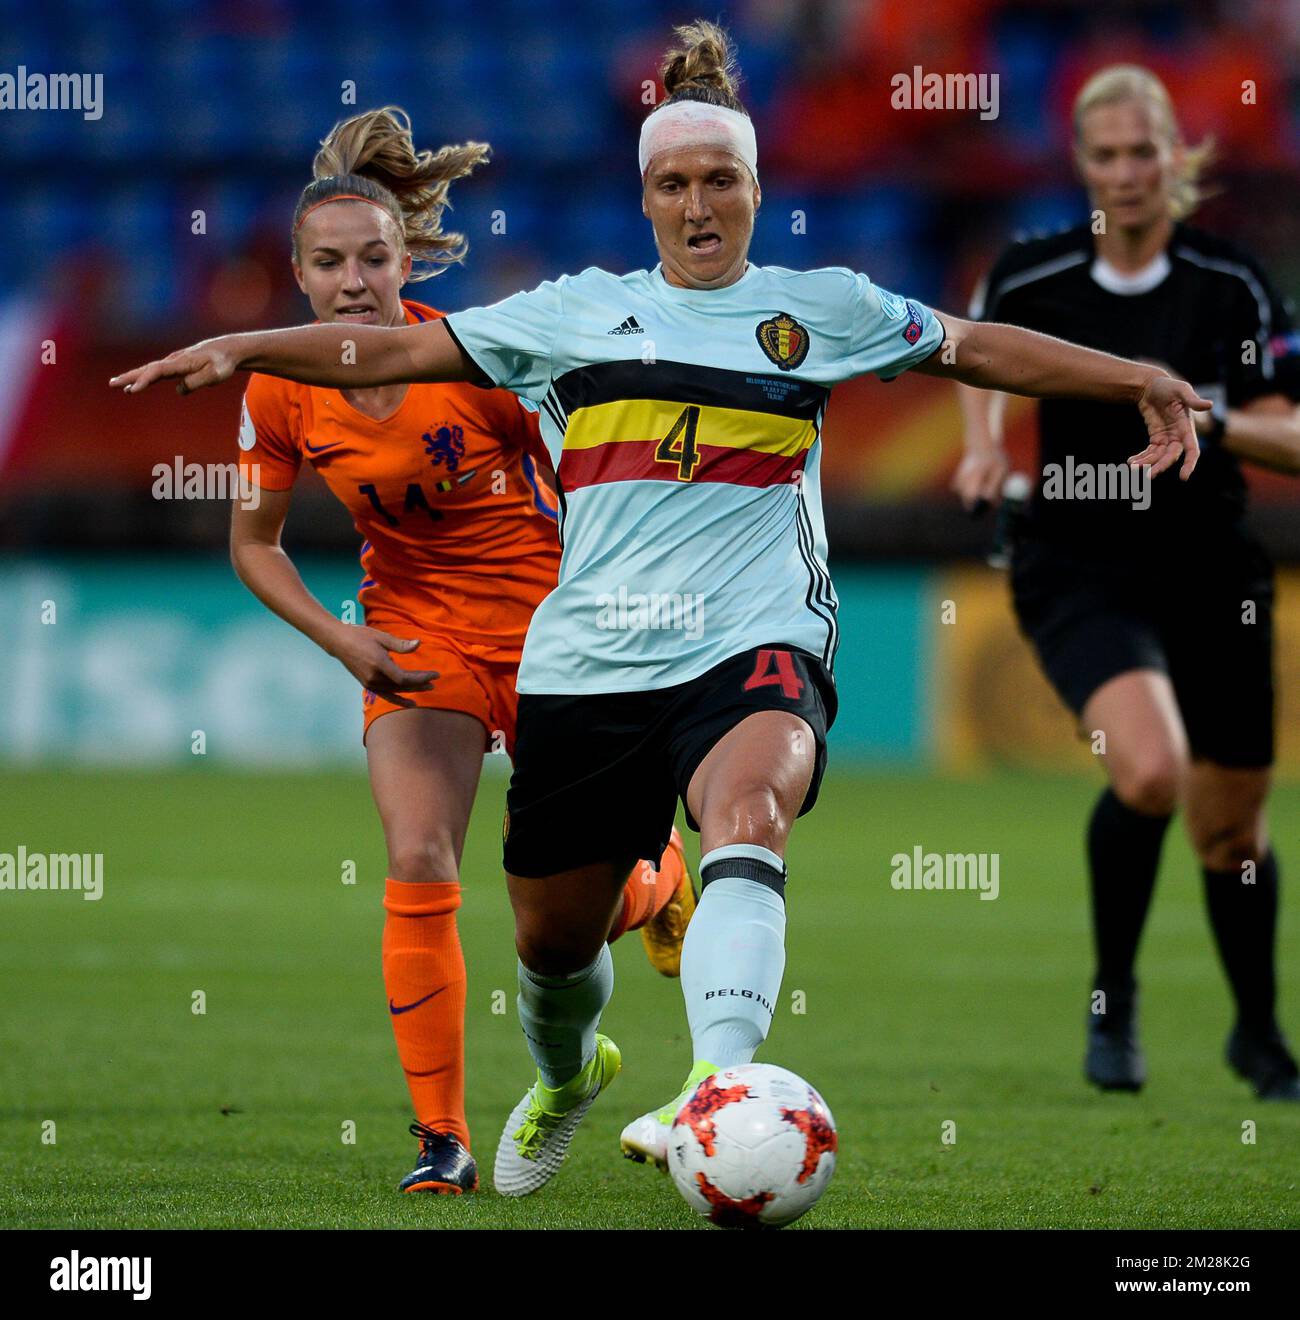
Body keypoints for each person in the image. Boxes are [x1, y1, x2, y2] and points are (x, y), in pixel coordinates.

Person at [112, 21, 1209, 1198]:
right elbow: (374, 359)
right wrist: (239, 344)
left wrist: (1133, 375)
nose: (698, 204)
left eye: (720, 180)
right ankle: (570, 1073)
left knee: (750, 806)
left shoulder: (819, 308)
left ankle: (716, 1087)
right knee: (550, 945)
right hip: (589, 663)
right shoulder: (568, 315)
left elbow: (977, 347)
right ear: (644, 200)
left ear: (753, 189)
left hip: (752, 638)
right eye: (673, 184)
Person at [228, 106, 695, 1195]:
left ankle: (658, 878)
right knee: (419, 857)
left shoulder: (480, 360)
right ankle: (442, 1141)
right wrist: (345, 638)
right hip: (415, 641)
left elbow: (593, 488)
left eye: (374, 259)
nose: (354, 282)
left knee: (560, 906)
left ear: (407, 263)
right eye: (330, 262)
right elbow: (254, 544)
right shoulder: (280, 387)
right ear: (298, 275)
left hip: (551, 637)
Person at [954, 65, 1300, 1100]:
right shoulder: (1029, 275)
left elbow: (1290, 434)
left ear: (1174, 158)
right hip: (1077, 568)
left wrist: (1215, 421)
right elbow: (968, 357)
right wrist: (980, 448)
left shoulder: (1230, 285)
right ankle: (1113, 1000)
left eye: (1141, 152)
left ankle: (1255, 1032)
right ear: (1079, 165)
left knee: (1232, 826)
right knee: (1150, 773)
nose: (1125, 172)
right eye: (1102, 155)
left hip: (1213, 573)